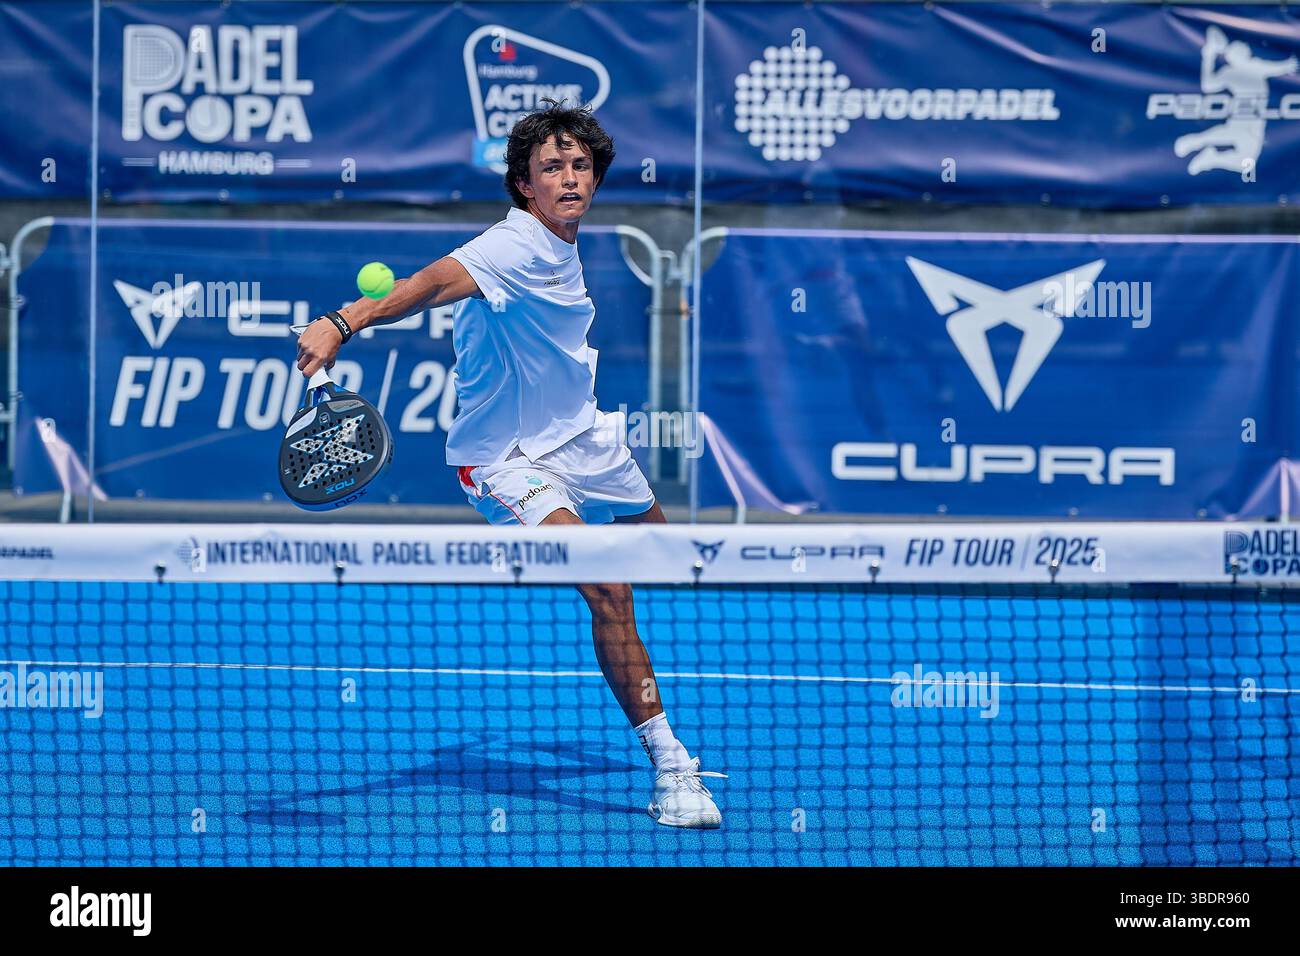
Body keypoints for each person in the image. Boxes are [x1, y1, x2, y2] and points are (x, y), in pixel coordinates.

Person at [295, 99, 724, 828]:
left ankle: (635, 671)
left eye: (579, 165)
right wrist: (346, 319)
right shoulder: (514, 244)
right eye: (550, 167)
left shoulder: (560, 241)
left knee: (669, 547)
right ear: (524, 185)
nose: (568, 178)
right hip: (509, 457)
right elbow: (427, 283)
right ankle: (672, 768)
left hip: (582, 434)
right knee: (610, 590)